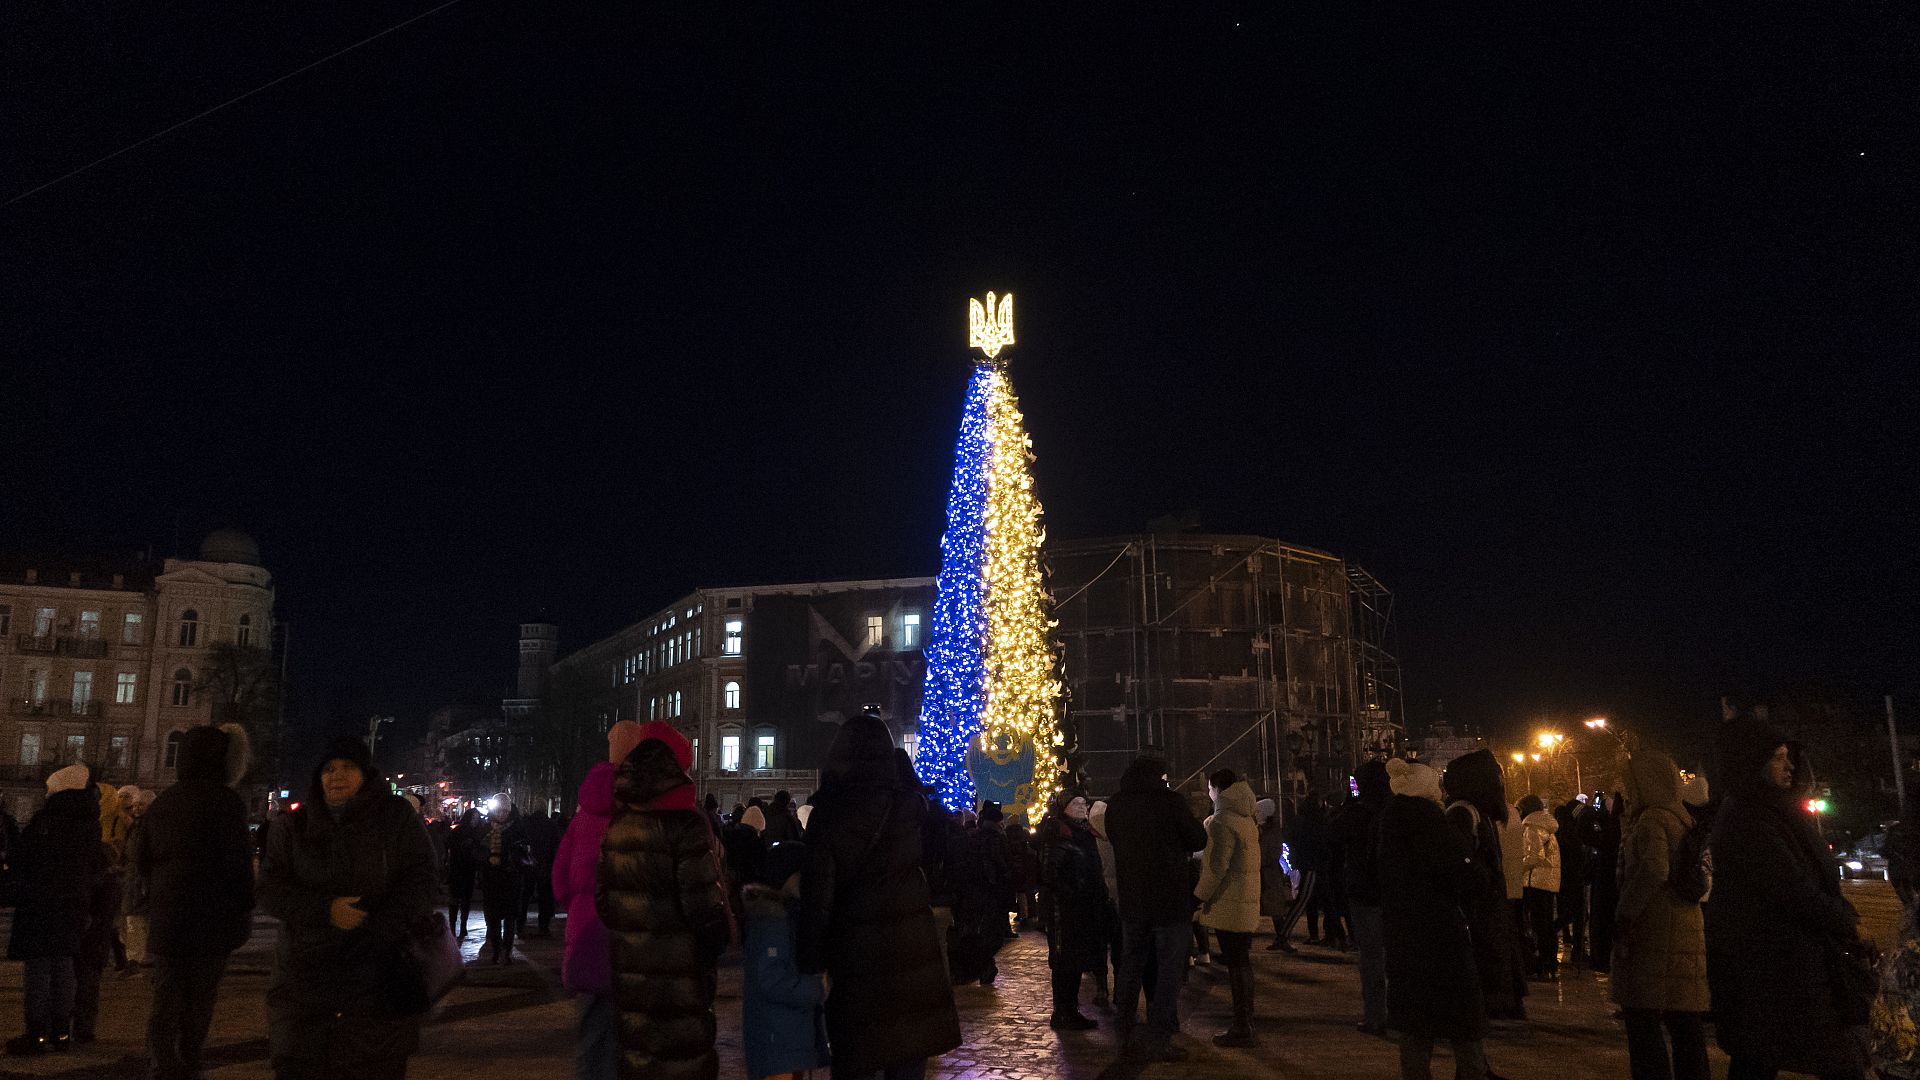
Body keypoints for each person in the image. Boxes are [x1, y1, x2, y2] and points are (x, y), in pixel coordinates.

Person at [258, 736, 443, 1079]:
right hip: (304, 981)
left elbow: (421, 878)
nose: (337, 775)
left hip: (377, 979)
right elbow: (270, 889)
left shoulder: (395, 817)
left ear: (365, 773)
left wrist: (381, 928)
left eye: (348, 767)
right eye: (329, 768)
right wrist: (324, 910)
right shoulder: (293, 825)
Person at [796, 715, 961, 1080]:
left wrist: (809, 961)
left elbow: (817, 895)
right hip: (912, 954)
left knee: (856, 1059)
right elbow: (936, 863)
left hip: (857, 959)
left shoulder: (830, 813)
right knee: (907, 1056)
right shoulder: (911, 808)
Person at [1706, 715, 1867, 1080]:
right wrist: (1849, 923)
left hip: (1780, 966)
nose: (1789, 765)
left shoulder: (1769, 810)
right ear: (1752, 761)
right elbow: (1791, 887)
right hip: (1772, 969)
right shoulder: (1749, 816)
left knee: (1757, 1057)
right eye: (1778, 757)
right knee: (1835, 1060)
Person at [597, 721, 731, 1080]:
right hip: (680, 985)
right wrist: (716, 944)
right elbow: (705, 912)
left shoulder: (618, 826)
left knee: (639, 1062)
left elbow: (604, 903)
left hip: (632, 981)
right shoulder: (687, 827)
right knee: (681, 1065)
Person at [135, 724, 255, 1080]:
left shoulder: (165, 800)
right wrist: (245, 905)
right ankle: (188, 1057)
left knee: (167, 992)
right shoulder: (227, 803)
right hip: (213, 918)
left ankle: (161, 1060)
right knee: (200, 995)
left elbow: (142, 858)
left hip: (169, 915)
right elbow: (238, 862)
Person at [1379, 759, 1494, 1080]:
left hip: (1404, 937)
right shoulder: (1431, 822)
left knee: (1415, 1029)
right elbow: (1467, 877)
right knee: (1465, 1027)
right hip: (1441, 937)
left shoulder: (1392, 821)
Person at [1610, 750, 1709, 1080]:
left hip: (1654, 929)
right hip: (1682, 924)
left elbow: (1654, 869)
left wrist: (1625, 912)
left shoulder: (1652, 818)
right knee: (1684, 1019)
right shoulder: (1681, 817)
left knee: (1643, 1018)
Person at [4, 764, 116, 1056]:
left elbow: (21, 857)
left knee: (39, 968)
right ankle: (61, 1031)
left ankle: (37, 1033)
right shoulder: (89, 823)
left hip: (41, 904)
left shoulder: (47, 821)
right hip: (74, 904)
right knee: (64, 966)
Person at [1105, 752, 1208, 1062]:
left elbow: (1114, 839)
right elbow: (1197, 838)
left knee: (1130, 967)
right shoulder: (1170, 801)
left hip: (1133, 900)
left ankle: (1123, 1032)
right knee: (1168, 972)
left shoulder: (1117, 804)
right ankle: (1159, 1039)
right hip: (1169, 902)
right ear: (1160, 776)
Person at [553, 737, 622, 1080]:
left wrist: (577, 905)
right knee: (621, 1033)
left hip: (583, 932)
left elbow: (559, 878)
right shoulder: (629, 818)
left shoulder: (579, 822)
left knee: (589, 1030)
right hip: (621, 932)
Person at [1442, 749, 1526, 1022]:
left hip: (1490, 905)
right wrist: (1483, 881)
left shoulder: (1480, 812)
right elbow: (1460, 860)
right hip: (1479, 909)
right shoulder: (1463, 813)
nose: (1501, 782)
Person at [742, 841, 829, 1080]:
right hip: (777, 1039)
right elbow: (772, 980)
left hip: (785, 1037)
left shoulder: (782, 916)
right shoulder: (772, 921)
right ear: (787, 876)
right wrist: (815, 988)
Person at [1195, 769, 1261, 1047]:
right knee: (1242, 961)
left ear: (1218, 788)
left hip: (1229, 901)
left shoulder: (1223, 821)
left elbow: (1216, 867)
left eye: (1210, 788)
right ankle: (1246, 1018)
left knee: (1235, 964)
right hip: (1245, 901)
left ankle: (1241, 1024)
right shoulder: (1247, 818)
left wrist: (1199, 896)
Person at [1037, 791, 1107, 1030]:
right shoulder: (1057, 833)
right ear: (1063, 807)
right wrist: (1071, 895)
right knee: (1063, 960)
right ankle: (1062, 1011)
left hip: (1081, 908)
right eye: (1075, 803)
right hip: (1064, 910)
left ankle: (1070, 1009)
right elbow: (1050, 873)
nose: (1082, 806)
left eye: (1084, 803)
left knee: (1075, 960)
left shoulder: (1083, 832)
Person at [1336, 759, 1392, 1035]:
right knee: (1393, 954)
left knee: (1371, 957)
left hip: (1364, 891)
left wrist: (1350, 801)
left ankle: (1376, 1015)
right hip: (1392, 891)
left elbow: (1333, 833)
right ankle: (1398, 1011)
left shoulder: (1358, 812)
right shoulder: (1394, 808)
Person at [953, 801, 1013, 986]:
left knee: (978, 931)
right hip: (989, 889)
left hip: (975, 890)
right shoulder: (996, 837)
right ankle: (983, 965)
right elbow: (1000, 863)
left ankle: (981, 966)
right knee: (991, 933)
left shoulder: (975, 836)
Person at [479, 793, 533, 965]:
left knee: (510, 917)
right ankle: (496, 949)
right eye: (498, 811)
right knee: (493, 918)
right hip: (491, 879)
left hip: (511, 879)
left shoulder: (518, 828)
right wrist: (484, 856)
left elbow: (526, 851)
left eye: (504, 811)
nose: (501, 814)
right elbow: (477, 850)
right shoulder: (486, 827)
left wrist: (514, 855)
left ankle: (507, 950)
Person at [1517, 794, 1560, 980]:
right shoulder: (1546, 825)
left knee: (1539, 926)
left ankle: (1543, 966)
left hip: (1536, 881)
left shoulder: (1532, 826)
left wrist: (1518, 867)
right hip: (1547, 882)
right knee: (1546, 926)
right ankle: (1549, 964)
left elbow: (1536, 855)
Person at [1582, 791, 1624, 974]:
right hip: (1613, 880)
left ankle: (1601, 958)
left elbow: (1594, 839)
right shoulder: (1620, 826)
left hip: (1605, 880)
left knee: (1602, 919)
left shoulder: (1611, 828)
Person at [121, 788, 156, 977]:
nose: (136, 808)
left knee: (135, 921)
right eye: (135, 805)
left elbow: (141, 853)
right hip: (133, 878)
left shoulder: (147, 826)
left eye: (141, 805)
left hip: (139, 880)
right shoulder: (138, 825)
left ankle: (134, 961)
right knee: (132, 921)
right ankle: (134, 959)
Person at [1553, 796, 1590, 965]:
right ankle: (1577, 952)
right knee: (1578, 914)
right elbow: (1578, 854)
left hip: (1561, 878)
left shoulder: (1557, 832)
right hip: (1574, 878)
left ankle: (1558, 933)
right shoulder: (1573, 831)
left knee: (1568, 912)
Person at [525, 810, 563, 938]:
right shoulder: (551, 824)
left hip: (529, 864)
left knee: (525, 895)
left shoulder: (527, 823)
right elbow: (556, 844)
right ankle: (543, 926)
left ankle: (520, 924)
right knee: (545, 897)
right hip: (546, 865)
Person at [447, 807, 481, 939]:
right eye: (474, 818)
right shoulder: (471, 833)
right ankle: (459, 927)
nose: (475, 821)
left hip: (461, 869)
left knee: (459, 899)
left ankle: (458, 927)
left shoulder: (459, 832)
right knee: (462, 899)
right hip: (463, 869)